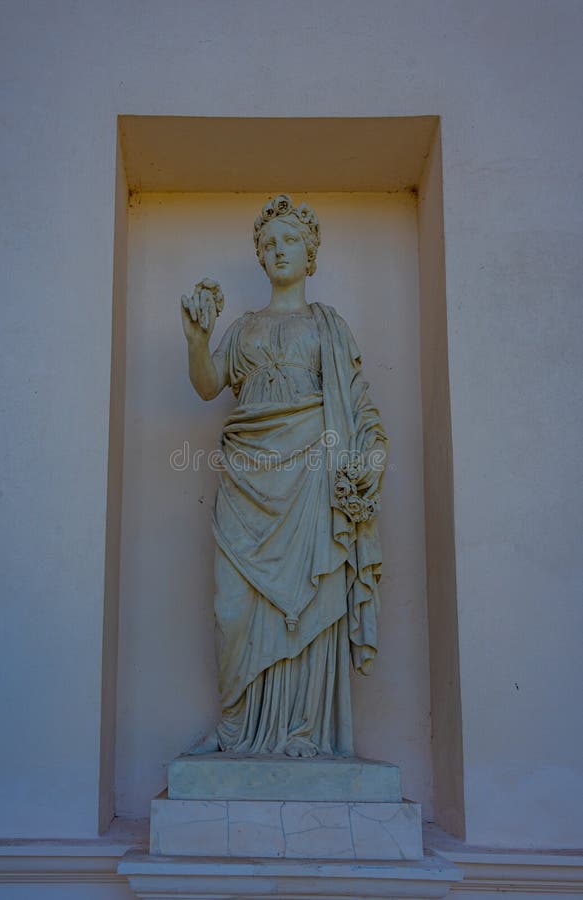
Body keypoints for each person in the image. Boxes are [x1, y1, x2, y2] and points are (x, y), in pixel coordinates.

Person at [181, 195, 388, 758]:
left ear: (310, 253)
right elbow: (207, 384)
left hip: (311, 482)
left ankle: (301, 731)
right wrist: (199, 340)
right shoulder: (244, 327)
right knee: (232, 607)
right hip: (246, 483)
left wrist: (370, 460)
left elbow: (359, 408)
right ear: (260, 257)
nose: (277, 250)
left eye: (289, 240)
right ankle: (235, 727)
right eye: (268, 243)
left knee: (309, 598)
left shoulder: (328, 327)